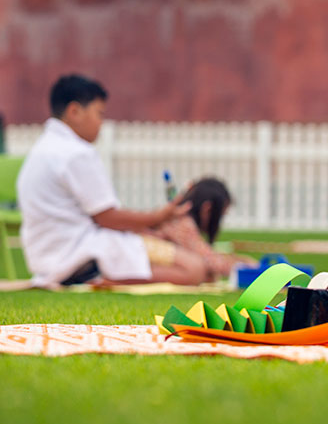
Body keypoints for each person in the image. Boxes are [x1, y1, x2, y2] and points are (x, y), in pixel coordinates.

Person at [17, 74, 206, 286]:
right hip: (82, 257)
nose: (101, 123)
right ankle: (108, 280)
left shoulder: (43, 148)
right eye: (99, 114)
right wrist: (158, 217)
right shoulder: (76, 153)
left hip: (49, 260)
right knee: (194, 269)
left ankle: (108, 276)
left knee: (180, 260)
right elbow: (108, 218)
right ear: (74, 112)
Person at [150, 177, 252, 282]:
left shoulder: (179, 220)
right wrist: (247, 267)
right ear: (207, 209)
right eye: (220, 215)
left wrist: (239, 260)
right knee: (200, 270)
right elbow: (211, 261)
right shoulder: (182, 222)